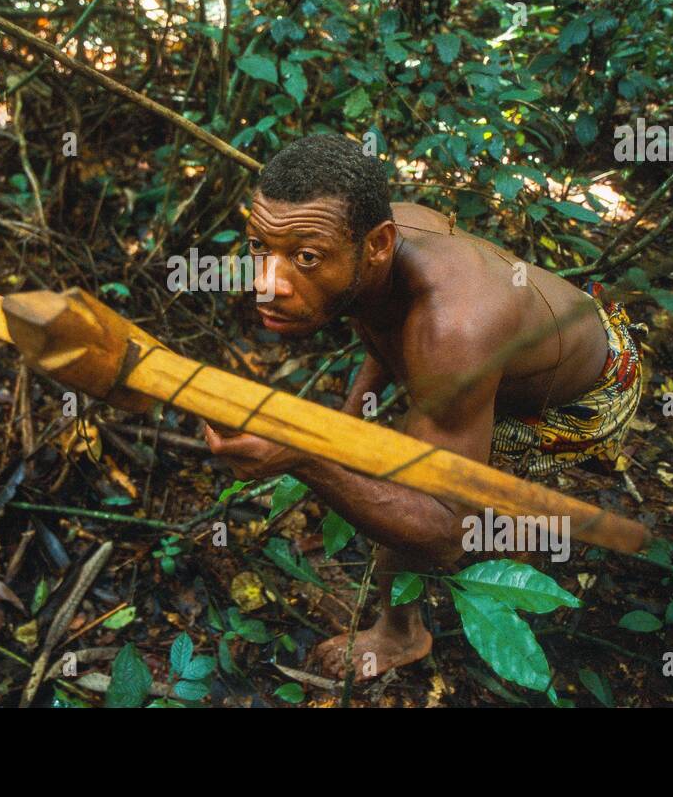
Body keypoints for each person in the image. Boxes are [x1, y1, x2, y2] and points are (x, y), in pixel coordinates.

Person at [203, 134, 644, 679]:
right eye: (258, 248)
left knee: (425, 495)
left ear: (379, 244)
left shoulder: (451, 329)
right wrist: (348, 417)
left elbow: (443, 530)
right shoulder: (381, 235)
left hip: (585, 392)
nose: (266, 284)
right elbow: (381, 323)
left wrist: (307, 457)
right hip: (506, 354)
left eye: (306, 258)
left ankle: (400, 633)